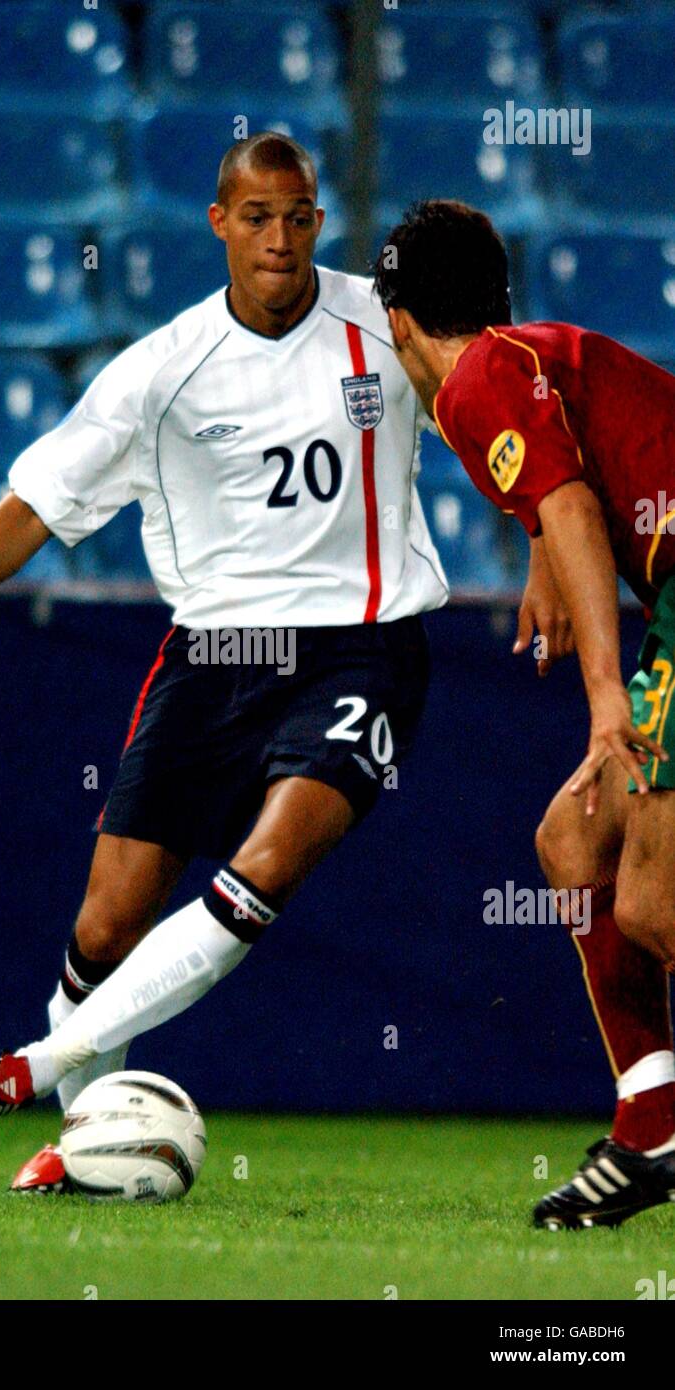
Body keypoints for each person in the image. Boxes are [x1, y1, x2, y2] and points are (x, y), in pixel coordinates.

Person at [0, 134, 459, 1194]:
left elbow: (505, 402)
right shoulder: (162, 371)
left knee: (265, 866)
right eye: (258, 216)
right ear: (218, 224)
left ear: (321, 220)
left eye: (300, 215)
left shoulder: (386, 323)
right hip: (213, 655)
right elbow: (33, 506)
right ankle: (85, 1140)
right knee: (103, 925)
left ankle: (29, 1071)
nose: (281, 239)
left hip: (358, 648)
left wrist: (548, 543)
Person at [374, 197, 675, 1231]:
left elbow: (572, 503)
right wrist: (544, 559)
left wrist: (603, 704)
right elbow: (570, 473)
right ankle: (650, 1122)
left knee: (648, 905)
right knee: (572, 842)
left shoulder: (467, 384)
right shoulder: (517, 357)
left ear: (398, 321)